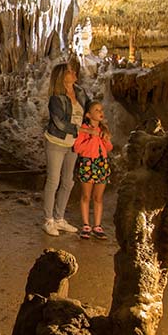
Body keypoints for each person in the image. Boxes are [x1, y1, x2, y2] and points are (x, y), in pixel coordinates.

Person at [43, 61, 88, 236]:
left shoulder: (80, 93)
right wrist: (80, 130)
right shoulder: (56, 99)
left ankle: (59, 218)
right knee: (53, 181)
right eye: (69, 71)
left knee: (68, 182)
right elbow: (59, 123)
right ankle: (48, 220)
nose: (73, 72)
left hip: (73, 144)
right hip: (56, 142)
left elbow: (88, 109)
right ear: (62, 77)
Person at [73, 101, 113, 239]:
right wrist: (92, 137)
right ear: (88, 115)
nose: (100, 112)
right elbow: (77, 148)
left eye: (101, 110)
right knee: (86, 196)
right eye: (96, 110)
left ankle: (97, 226)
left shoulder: (104, 130)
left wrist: (105, 139)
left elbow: (109, 148)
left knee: (98, 197)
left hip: (102, 164)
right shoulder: (83, 129)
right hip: (88, 163)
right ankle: (86, 225)